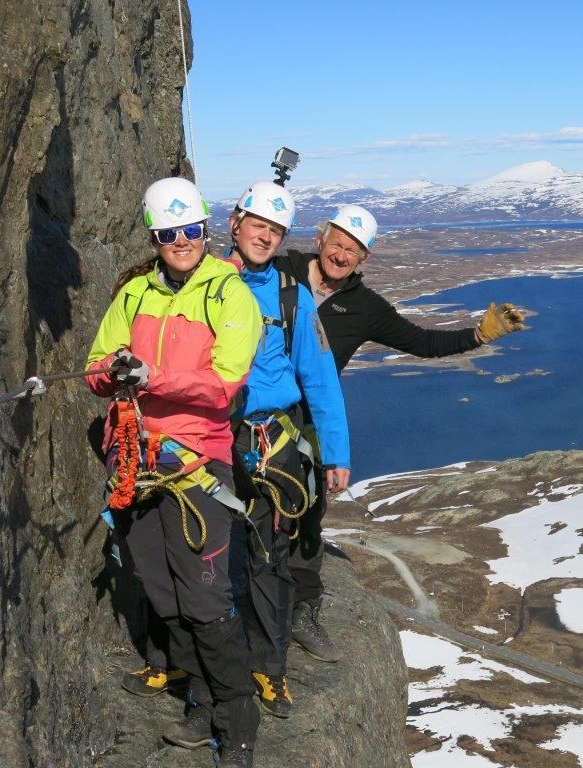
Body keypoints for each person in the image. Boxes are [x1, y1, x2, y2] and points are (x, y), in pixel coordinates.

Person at [276, 205, 525, 662]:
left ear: (364, 258)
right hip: (257, 412)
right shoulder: (279, 271)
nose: (341, 254)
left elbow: (423, 342)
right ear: (320, 240)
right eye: (337, 243)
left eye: (353, 250)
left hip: (310, 422)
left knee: (308, 514)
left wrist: (481, 334)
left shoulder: (365, 308)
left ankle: (302, 611)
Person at [85, 177, 262, 768]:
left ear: (205, 230)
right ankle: (200, 700)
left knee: (206, 600)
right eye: (169, 233)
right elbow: (93, 368)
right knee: (162, 593)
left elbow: (223, 384)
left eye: (190, 231)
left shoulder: (228, 295)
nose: (182, 241)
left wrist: (151, 377)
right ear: (155, 237)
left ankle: (236, 722)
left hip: (196, 463)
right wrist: (115, 373)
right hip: (137, 459)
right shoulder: (134, 294)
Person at [227, 180, 351, 718]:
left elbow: (319, 377)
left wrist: (335, 454)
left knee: (268, 558)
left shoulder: (290, 295)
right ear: (235, 223)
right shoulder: (203, 283)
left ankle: (268, 670)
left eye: (276, 230)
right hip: (207, 437)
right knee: (204, 556)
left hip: (267, 442)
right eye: (259, 224)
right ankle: (201, 662)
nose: (266, 236)